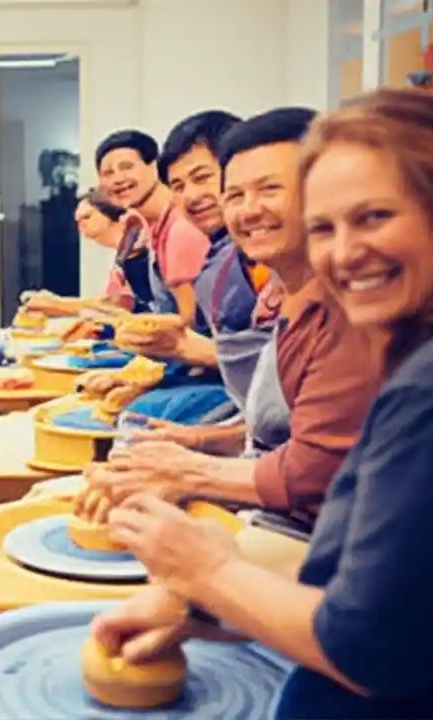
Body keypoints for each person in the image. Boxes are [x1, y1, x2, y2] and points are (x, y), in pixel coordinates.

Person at [94, 89, 433, 717]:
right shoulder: (432, 349)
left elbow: (371, 650)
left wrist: (207, 570)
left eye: (375, 218)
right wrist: (204, 609)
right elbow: (397, 592)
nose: (344, 252)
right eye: (324, 228)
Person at [81, 108, 382, 525]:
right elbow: (279, 429)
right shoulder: (283, 289)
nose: (249, 210)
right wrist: (195, 440)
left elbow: (310, 472)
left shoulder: (354, 310)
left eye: (270, 189)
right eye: (236, 195)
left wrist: (190, 470)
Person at [95, 130, 212, 328]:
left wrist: (126, 324)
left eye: (127, 167)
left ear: (155, 167)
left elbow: (191, 322)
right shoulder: (151, 229)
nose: (117, 179)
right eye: (108, 173)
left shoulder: (181, 229)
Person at [26, 189, 147, 315]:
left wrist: (57, 303)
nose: (81, 225)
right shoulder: (122, 256)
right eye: (77, 222)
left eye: (87, 217)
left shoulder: (137, 242)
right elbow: (109, 301)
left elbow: (120, 303)